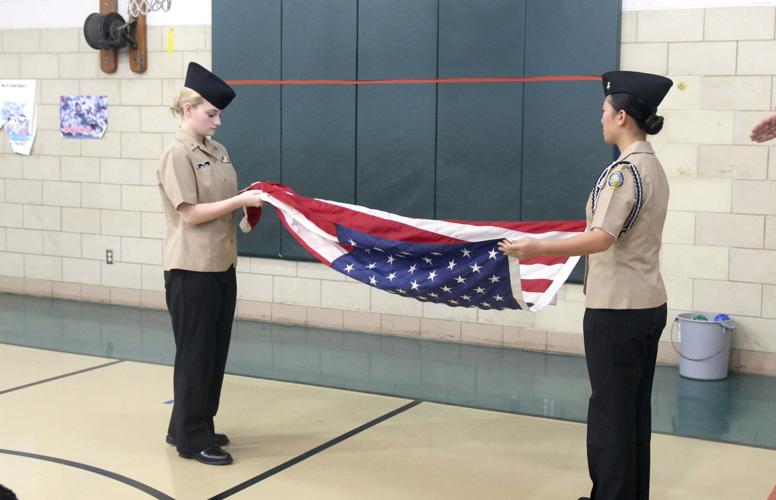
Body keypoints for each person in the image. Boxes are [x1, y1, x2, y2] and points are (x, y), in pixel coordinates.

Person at [499, 70, 672, 500]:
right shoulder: (652, 166)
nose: (601, 118)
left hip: (617, 310)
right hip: (647, 304)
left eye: (604, 110)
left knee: (611, 413)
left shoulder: (624, 173)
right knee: (633, 412)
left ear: (622, 116)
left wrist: (538, 248)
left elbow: (601, 237)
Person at [157, 62, 263, 466]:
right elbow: (190, 213)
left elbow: (223, 201)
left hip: (221, 264)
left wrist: (249, 200)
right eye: (211, 113)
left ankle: (188, 423)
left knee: (214, 352)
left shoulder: (217, 151)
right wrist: (239, 201)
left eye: (219, 115)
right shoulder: (177, 154)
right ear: (188, 109)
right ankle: (192, 439)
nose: (218, 122)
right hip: (191, 269)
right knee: (195, 354)